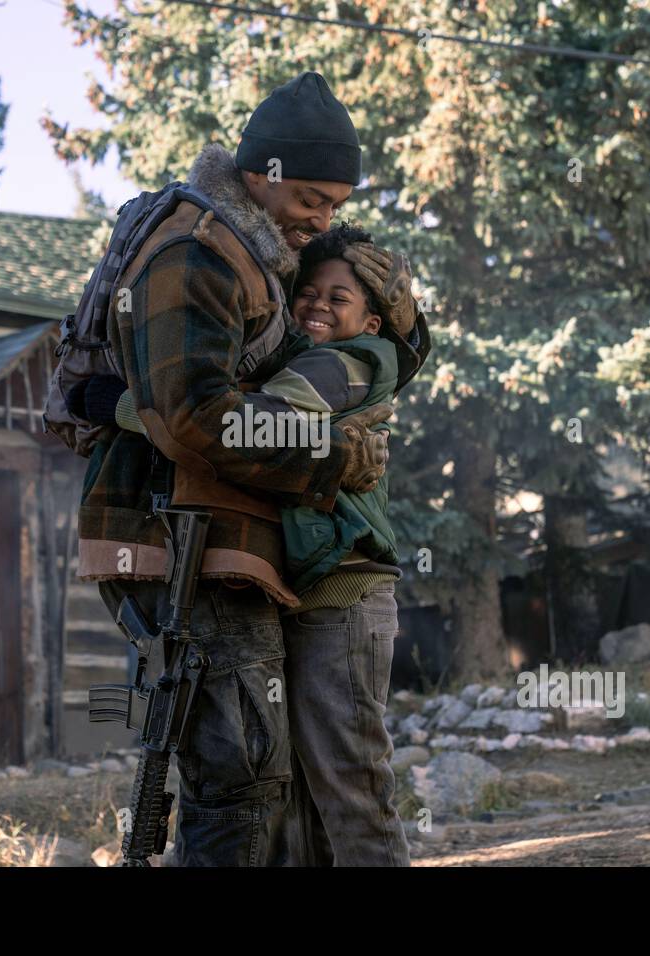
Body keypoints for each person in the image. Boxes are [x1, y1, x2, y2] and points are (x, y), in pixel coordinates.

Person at [78, 71, 429, 866]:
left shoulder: (262, 257)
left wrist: (402, 315)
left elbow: (353, 350)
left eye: (334, 204)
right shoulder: (203, 251)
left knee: (267, 779)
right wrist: (335, 457)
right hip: (185, 540)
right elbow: (198, 418)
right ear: (264, 173)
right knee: (240, 777)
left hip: (237, 548)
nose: (322, 218)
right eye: (311, 197)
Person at [112, 223, 416, 864]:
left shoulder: (345, 365)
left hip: (346, 594)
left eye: (340, 299)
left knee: (350, 784)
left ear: (372, 321)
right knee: (306, 794)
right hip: (313, 592)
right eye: (309, 292)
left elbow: (233, 420)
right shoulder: (315, 355)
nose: (317, 306)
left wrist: (130, 404)